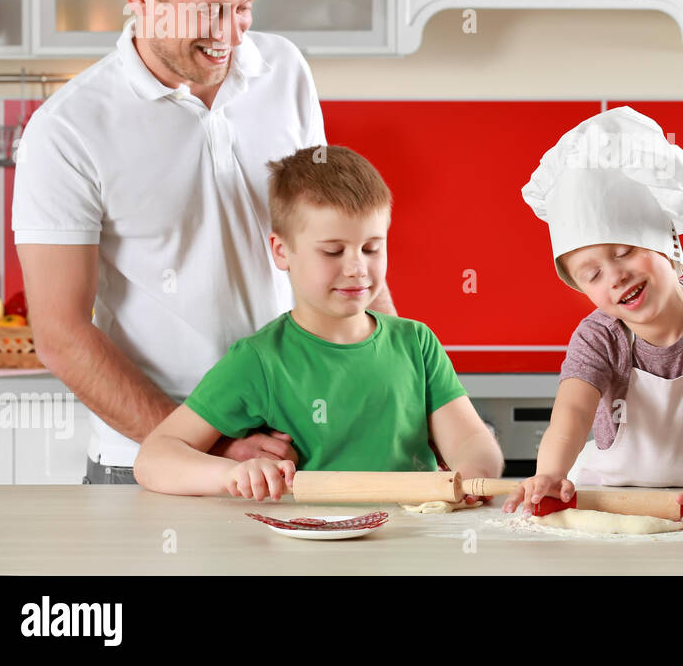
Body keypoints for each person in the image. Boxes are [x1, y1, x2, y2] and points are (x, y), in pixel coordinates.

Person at [12, 0, 396, 485]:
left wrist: (401, 391)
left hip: (297, 450)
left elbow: (341, 239)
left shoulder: (285, 71)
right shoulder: (67, 130)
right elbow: (62, 334)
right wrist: (210, 448)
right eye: (210, 11)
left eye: (244, 8)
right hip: (152, 469)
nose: (232, 35)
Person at [134, 146, 502, 499]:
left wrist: (472, 473)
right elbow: (154, 459)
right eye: (333, 251)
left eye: (372, 248)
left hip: (409, 537)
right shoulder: (259, 360)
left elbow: (470, 440)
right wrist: (231, 474)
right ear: (282, 251)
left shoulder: (417, 343)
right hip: (305, 539)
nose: (357, 267)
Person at [503, 107, 683, 524]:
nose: (616, 276)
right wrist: (550, 473)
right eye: (592, 275)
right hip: (613, 506)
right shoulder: (598, 335)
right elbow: (573, 410)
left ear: (670, 245)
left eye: (625, 251)